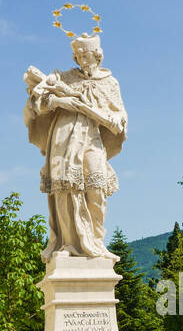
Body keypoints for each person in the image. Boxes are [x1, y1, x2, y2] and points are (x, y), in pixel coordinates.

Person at [23, 33, 128, 261]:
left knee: (96, 186)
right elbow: (37, 100)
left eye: (85, 54)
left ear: (97, 54)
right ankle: (68, 244)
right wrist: (61, 101)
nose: (81, 58)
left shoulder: (110, 82)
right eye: (77, 55)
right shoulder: (63, 77)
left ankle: (97, 242)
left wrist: (113, 119)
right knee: (64, 186)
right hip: (64, 134)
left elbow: (119, 115)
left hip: (92, 136)